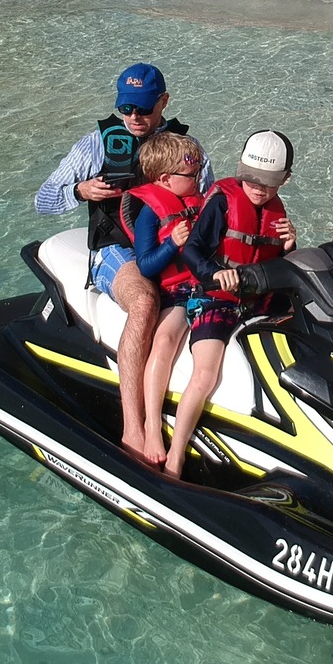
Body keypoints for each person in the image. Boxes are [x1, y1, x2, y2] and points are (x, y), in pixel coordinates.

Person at [35, 65, 211, 450]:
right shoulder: (97, 144)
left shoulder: (187, 150)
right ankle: (133, 428)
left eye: (143, 109)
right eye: (126, 108)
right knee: (145, 301)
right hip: (115, 250)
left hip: (172, 249)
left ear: (163, 102)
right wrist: (82, 191)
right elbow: (43, 199)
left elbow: (210, 203)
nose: (133, 117)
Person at [163, 131, 296, 479]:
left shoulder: (276, 212)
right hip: (216, 297)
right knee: (207, 373)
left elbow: (277, 260)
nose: (257, 188)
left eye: (268, 182)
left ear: (285, 179)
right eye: (250, 178)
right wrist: (215, 273)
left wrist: (289, 247)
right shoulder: (223, 202)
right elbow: (192, 251)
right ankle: (175, 458)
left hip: (256, 297)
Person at [123, 131, 207, 465]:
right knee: (165, 340)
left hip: (207, 288)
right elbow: (145, 264)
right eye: (192, 176)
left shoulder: (200, 202)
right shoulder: (151, 214)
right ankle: (152, 423)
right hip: (176, 292)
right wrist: (172, 243)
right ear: (165, 180)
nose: (199, 179)